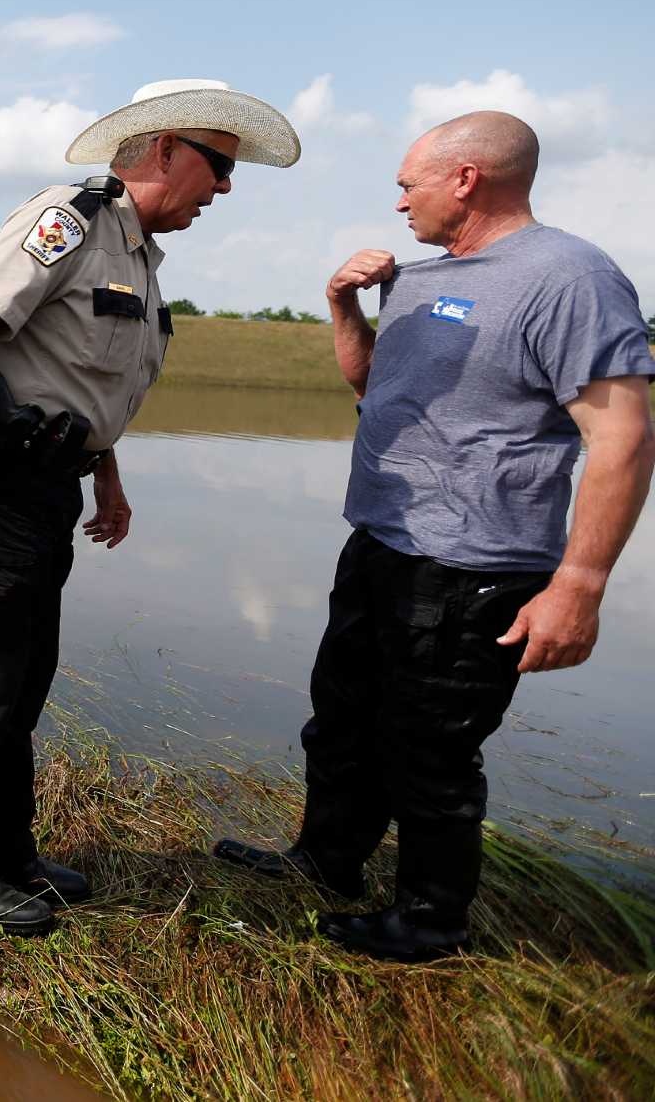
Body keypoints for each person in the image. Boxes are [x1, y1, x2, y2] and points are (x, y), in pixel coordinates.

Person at [214, 111, 655, 961]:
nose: (399, 201)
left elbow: (623, 438)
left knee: (429, 749)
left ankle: (428, 921)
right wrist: (343, 304)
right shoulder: (417, 277)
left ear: (465, 179)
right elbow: (375, 385)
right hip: (381, 542)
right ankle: (327, 861)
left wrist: (579, 586)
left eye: (407, 183)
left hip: (475, 568)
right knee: (342, 720)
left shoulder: (569, 277)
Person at [0, 79, 303, 932]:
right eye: (220, 165)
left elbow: (80, 384)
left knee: (21, 682)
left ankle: (11, 853)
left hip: (49, 481)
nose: (225, 188)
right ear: (164, 149)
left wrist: (106, 473)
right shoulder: (72, 220)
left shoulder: (138, 258)